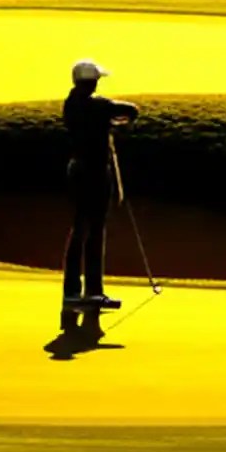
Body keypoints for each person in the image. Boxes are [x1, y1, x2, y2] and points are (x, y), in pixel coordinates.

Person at [61, 59, 139, 308]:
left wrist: (109, 125)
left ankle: (73, 290)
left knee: (80, 230)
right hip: (93, 173)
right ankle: (93, 290)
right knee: (93, 230)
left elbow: (96, 119)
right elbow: (132, 110)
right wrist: (119, 126)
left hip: (77, 170)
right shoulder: (98, 105)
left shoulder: (71, 104)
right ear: (91, 81)